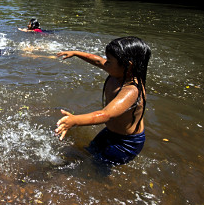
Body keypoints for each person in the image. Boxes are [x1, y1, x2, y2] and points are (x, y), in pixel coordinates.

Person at [54, 36, 151, 166]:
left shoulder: (131, 91)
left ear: (128, 65)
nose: (105, 63)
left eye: (109, 61)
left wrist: (74, 121)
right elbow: (98, 61)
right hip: (111, 132)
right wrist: (76, 53)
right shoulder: (119, 72)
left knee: (98, 166)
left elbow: (106, 114)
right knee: (89, 152)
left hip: (126, 143)